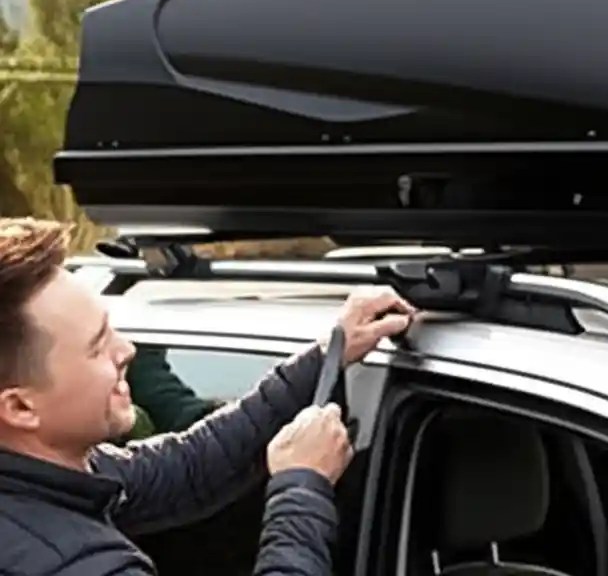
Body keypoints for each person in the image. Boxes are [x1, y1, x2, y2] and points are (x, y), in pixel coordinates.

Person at [0, 217, 417, 575]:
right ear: (20, 407)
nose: (127, 350)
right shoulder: (75, 566)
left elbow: (190, 465)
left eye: (111, 329)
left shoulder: (41, 480)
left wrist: (327, 355)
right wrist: (300, 493)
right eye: (97, 346)